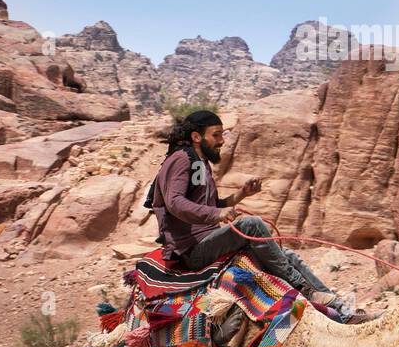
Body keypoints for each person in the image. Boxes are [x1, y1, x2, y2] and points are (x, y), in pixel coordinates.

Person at [147, 109, 359, 323]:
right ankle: (303, 289)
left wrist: (240, 195)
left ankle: (339, 309)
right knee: (251, 224)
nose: (221, 141)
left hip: (209, 239)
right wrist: (217, 214)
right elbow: (175, 202)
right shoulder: (181, 159)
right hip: (193, 251)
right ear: (196, 136)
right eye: (216, 135)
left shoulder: (199, 162)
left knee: (287, 256)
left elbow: (207, 204)